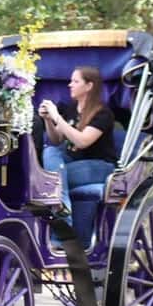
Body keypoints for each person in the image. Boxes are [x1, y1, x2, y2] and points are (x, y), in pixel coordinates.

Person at [38, 65, 117, 225]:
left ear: (89, 86)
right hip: (73, 162)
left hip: (101, 167)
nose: (70, 85)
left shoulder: (103, 113)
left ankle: (64, 218)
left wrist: (57, 117)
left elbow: (82, 141)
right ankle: (62, 211)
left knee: (50, 180)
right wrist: (48, 119)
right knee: (50, 152)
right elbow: (56, 139)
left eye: (75, 81)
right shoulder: (72, 109)